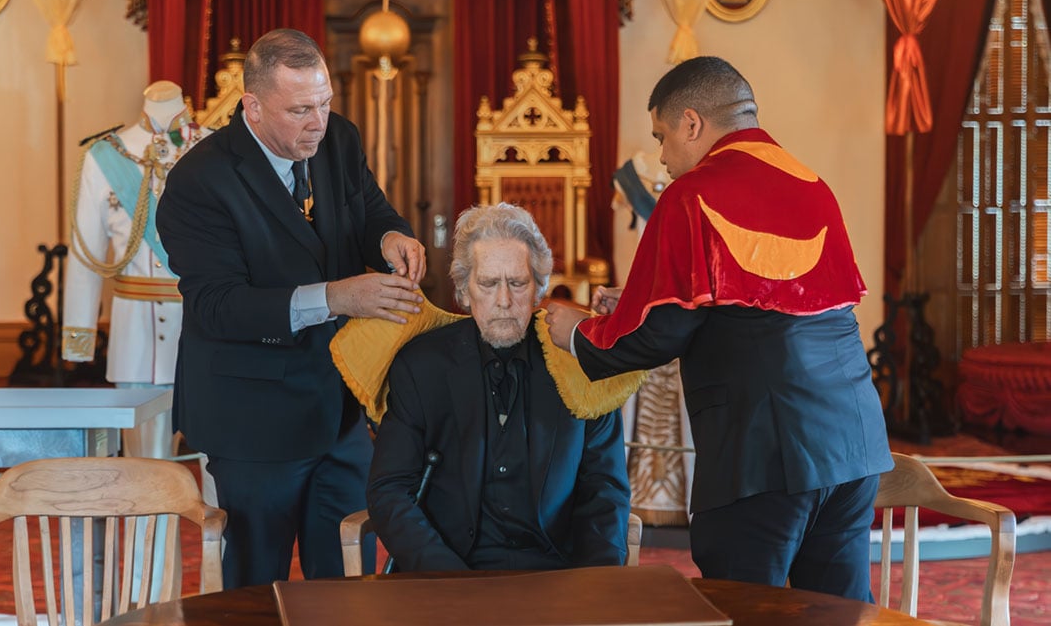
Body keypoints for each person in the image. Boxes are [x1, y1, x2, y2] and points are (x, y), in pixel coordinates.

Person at [545, 56, 893, 601]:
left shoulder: (693, 193)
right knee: (838, 613)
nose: (661, 157)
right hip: (852, 442)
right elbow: (762, 306)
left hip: (762, 454)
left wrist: (574, 330)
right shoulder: (811, 184)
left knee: (744, 608)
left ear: (691, 123)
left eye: (662, 137)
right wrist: (633, 302)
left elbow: (656, 337)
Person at [155, 28, 426, 588]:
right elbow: (217, 307)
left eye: (325, 103)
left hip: (339, 406)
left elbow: (370, 208)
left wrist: (392, 237)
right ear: (252, 106)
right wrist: (337, 297)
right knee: (258, 585)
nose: (318, 123)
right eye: (300, 109)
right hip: (251, 416)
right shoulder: (197, 182)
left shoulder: (338, 139)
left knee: (349, 578)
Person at [366, 202, 631, 572]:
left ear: (539, 288)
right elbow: (390, 491)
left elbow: (605, 490)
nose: (504, 301)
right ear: (463, 289)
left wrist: (591, 589)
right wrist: (450, 581)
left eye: (518, 283)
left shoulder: (580, 363)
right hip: (448, 576)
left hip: (556, 578)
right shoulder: (421, 365)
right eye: (488, 284)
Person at [65, 80, 208, 600]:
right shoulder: (106, 156)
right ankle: (149, 592)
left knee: (219, 477)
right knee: (144, 476)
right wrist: (78, 334)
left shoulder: (214, 146)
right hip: (136, 335)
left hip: (209, 336)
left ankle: (222, 587)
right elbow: (85, 254)